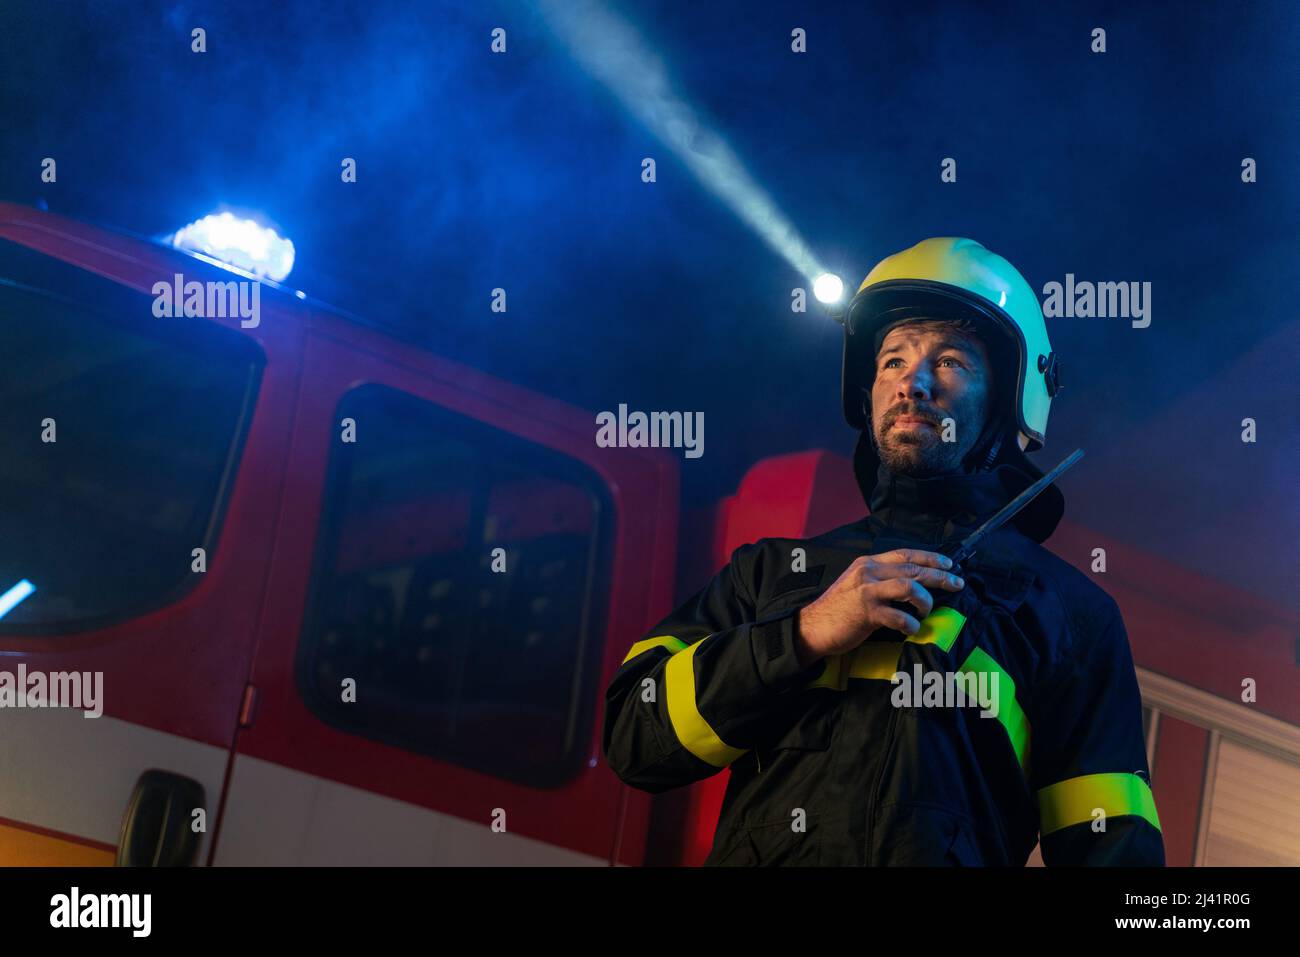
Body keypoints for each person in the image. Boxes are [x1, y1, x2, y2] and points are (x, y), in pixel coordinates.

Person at [602, 237, 1164, 866]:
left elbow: (1114, 856)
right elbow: (633, 738)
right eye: (892, 361)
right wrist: (805, 634)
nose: (913, 384)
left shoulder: (1069, 617)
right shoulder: (768, 575)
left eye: (949, 361)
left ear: (1009, 400)